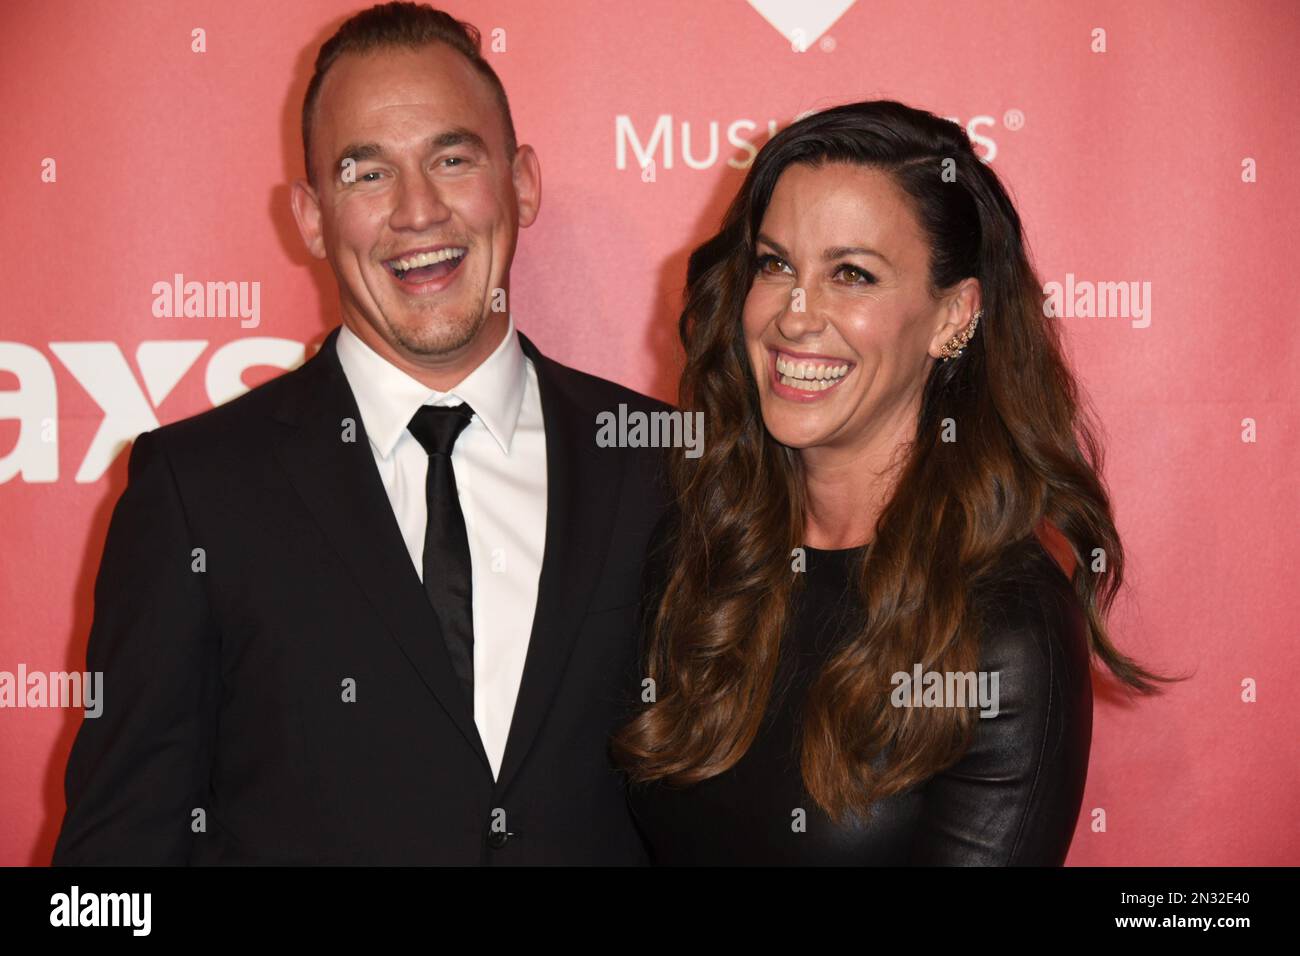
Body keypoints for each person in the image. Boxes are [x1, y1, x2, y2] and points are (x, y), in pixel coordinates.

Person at [52, 2, 668, 865]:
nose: (418, 212)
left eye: (453, 158)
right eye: (365, 174)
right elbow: (113, 869)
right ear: (309, 217)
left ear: (522, 181)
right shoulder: (197, 491)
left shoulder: (666, 464)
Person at [612, 100, 1178, 865]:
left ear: (953, 316)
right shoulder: (699, 545)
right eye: (776, 265)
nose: (795, 316)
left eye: (852, 274)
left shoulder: (1006, 627)